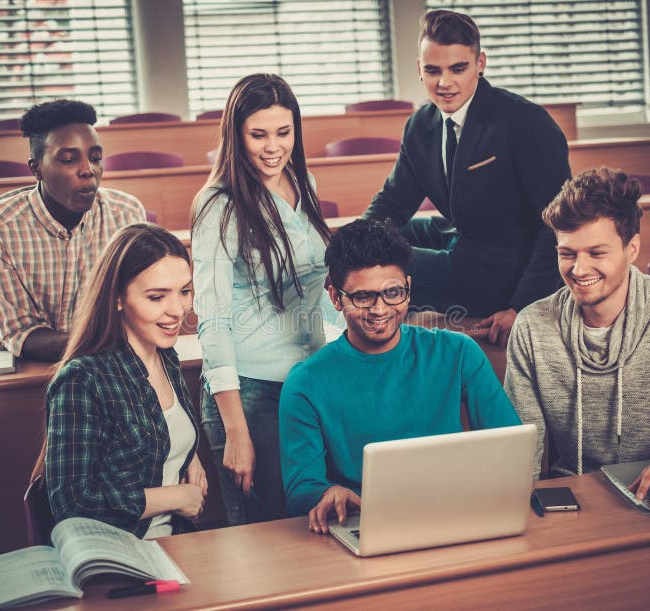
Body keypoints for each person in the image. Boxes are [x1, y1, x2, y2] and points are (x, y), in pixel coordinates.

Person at [505, 168, 650, 509]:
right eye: (567, 254)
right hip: (578, 497)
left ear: (632, 249)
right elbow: (524, 444)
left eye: (596, 253)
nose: (579, 270)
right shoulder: (532, 326)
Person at [279, 219, 521, 533]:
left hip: (458, 515)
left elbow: (510, 446)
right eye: (363, 297)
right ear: (335, 297)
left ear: (407, 287)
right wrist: (326, 493)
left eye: (393, 292)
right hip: (363, 525)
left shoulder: (458, 352)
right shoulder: (305, 383)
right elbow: (300, 490)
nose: (380, 309)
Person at [363, 9, 570, 346]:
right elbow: (394, 201)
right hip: (458, 235)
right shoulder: (421, 124)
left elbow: (559, 224)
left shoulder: (526, 122)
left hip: (503, 268)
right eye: (433, 70)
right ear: (419, 68)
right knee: (374, 237)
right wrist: (354, 244)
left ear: (480, 63)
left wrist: (524, 306)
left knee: (384, 265)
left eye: (458, 68)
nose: (444, 83)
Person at [191, 73, 338, 525]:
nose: (273, 146)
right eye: (258, 135)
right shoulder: (218, 204)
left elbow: (320, 289)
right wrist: (236, 430)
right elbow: (211, 321)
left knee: (315, 525)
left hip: (310, 382)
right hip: (252, 393)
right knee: (265, 538)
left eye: (283, 132)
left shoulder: (303, 180)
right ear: (236, 135)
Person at [33, 223, 207, 538]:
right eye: (157, 297)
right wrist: (174, 497)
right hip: (119, 552)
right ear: (117, 298)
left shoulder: (165, 357)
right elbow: (72, 504)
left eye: (184, 291)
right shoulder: (82, 380)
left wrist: (188, 454)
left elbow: (159, 433)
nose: (177, 310)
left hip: (177, 542)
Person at [0, 99, 146, 361]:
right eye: (69, 160)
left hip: (99, 364)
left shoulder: (126, 214)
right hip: (9, 370)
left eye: (95, 158)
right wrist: (112, 338)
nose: (88, 171)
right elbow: (21, 334)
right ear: (36, 168)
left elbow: (136, 303)